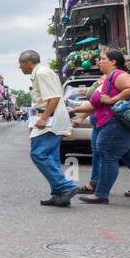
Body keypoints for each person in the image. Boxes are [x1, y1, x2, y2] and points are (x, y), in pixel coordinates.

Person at [71, 48, 130, 205]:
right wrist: (75, 110)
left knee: (106, 155)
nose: (98, 61)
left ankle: (101, 194)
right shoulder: (108, 78)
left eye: (102, 59)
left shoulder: (117, 75)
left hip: (116, 125)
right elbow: (95, 104)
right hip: (126, 126)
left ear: (113, 62)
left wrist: (113, 99)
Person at [18, 50, 78, 207]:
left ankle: (66, 187)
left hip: (50, 121)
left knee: (39, 154)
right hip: (50, 119)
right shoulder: (42, 73)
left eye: (21, 63)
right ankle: (59, 195)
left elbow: (54, 98)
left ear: (28, 62)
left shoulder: (42, 73)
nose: (19, 67)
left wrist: (43, 118)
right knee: (52, 157)